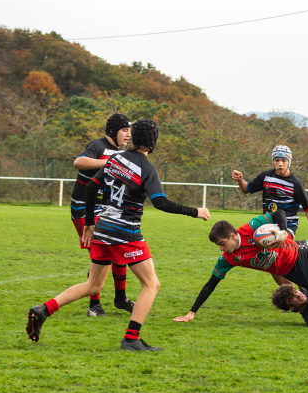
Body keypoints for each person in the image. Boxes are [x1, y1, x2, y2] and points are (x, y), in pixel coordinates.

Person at [26, 119, 211, 351]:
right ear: (153, 142)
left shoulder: (116, 159)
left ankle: (44, 309)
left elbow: (92, 186)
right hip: (125, 232)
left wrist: (90, 224)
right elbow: (160, 202)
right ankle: (132, 339)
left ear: (134, 138)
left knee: (93, 285)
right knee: (151, 284)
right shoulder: (147, 169)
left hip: (103, 228)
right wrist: (196, 212)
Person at [172, 211, 308, 322]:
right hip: (295, 271)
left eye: (223, 244)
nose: (222, 250)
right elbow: (211, 283)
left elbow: (277, 213)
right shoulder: (229, 259)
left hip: (301, 248)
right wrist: (192, 312)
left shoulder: (251, 228)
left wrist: (282, 232)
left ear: (232, 236)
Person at [70, 113, 134, 317]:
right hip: (83, 208)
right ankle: (94, 305)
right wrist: (107, 163)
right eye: (124, 130)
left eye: (130, 131)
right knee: (100, 256)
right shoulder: (97, 146)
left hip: (105, 208)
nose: (128, 134)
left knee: (119, 246)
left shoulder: (122, 152)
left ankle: (120, 298)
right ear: (113, 131)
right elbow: (78, 162)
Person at [232, 145, 308, 239]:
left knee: (275, 245)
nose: (280, 164)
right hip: (268, 222)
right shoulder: (266, 177)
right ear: (273, 161)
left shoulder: (296, 184)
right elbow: (247, 189)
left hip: (288, 225)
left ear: (289, 162)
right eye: (277, 160)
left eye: (284, 160)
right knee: (246, 239)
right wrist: (240, 180)